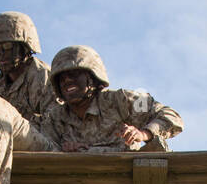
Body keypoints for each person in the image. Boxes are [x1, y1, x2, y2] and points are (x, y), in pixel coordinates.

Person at [40, 45, 183, 153]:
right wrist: (63, 151)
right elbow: (44, 151)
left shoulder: (121, 101)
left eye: (74, 74)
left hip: (125, 177)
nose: (67, 81)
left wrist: (143, 134)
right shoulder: (55, 119)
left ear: (92, 78)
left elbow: (171, 116)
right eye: (62, 78)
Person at [0, 12, 56, 123]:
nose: (1, 53)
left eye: (7, 46)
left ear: (25, 47)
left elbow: (56, 124)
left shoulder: (44, 78)